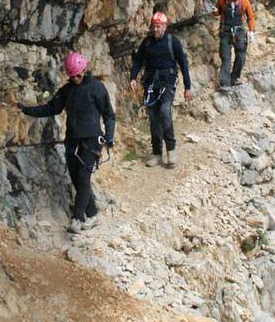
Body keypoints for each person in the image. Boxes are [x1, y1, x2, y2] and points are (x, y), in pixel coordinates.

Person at [19, 52, 115, 234]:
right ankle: (92, 214)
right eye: (72, 76)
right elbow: (52, 108)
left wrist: (109, 137)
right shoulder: (67, 90)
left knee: (83, 178)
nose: (76, 79)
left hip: (92, 141)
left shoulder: (97, 88)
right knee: (76, 179)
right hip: (72, 141)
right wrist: (27, 110)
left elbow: (109, 115)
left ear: (84, 70)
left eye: (78, 75)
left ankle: (77, 219)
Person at [129, 12, 192, 168]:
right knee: (153, 117)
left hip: (167, 84)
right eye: (153, 26)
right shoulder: (147, 43)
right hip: (150, 85)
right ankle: (157, 153)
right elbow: (138, 61)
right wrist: (133, 77)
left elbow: (183, 64)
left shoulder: (173, 42)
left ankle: (171, 151)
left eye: (158, 26)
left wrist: (188, 87)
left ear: (165, 26)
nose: (155, 29)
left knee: (164, 111)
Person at [212, 0, 256, 88]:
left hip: (239, 31)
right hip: (225, 31)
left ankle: (234, 78)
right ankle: (224, 82)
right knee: (225, 57)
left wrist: (251, 31)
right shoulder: (222, 0)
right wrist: (214, 10)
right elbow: (217, 13)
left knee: (241, 56)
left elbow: (250, 17)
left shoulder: (244, 2)